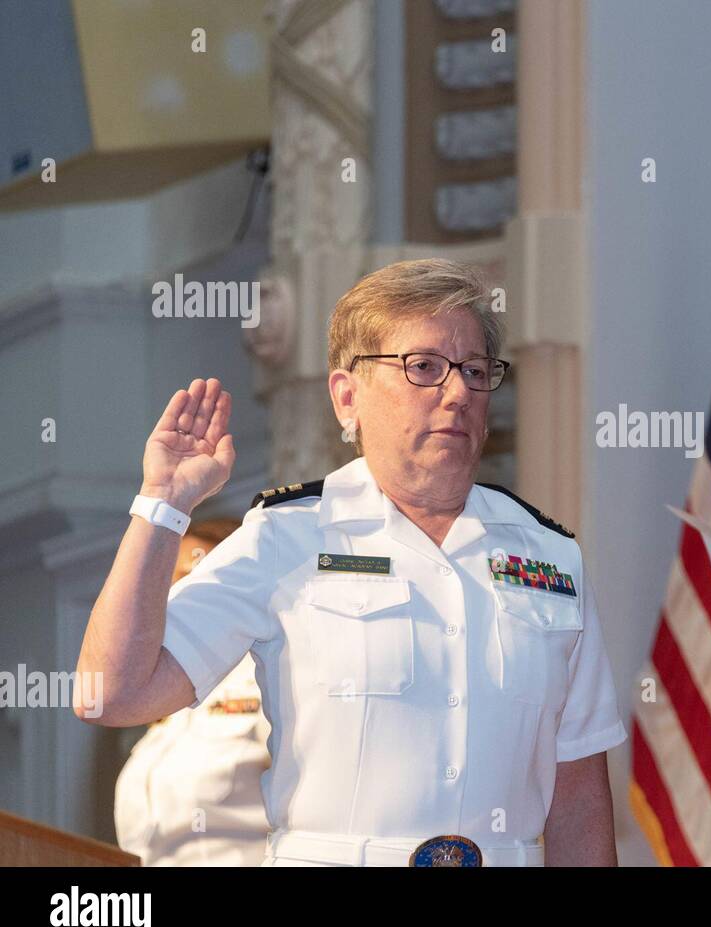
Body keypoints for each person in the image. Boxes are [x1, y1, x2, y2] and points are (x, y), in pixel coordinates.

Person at [76, 259, 626, 866]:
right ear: (347, 396)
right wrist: (162, 506)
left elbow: (577, 796)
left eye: (475, 371)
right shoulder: (284, 539)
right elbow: (110, 695)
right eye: (424, 368)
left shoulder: (550, 559)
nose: (458, 392)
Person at [114, 517, 272, 866]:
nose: (173, 596)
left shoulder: (269, 679)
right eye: (166, 583)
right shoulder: (160, 698)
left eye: (189, 578)